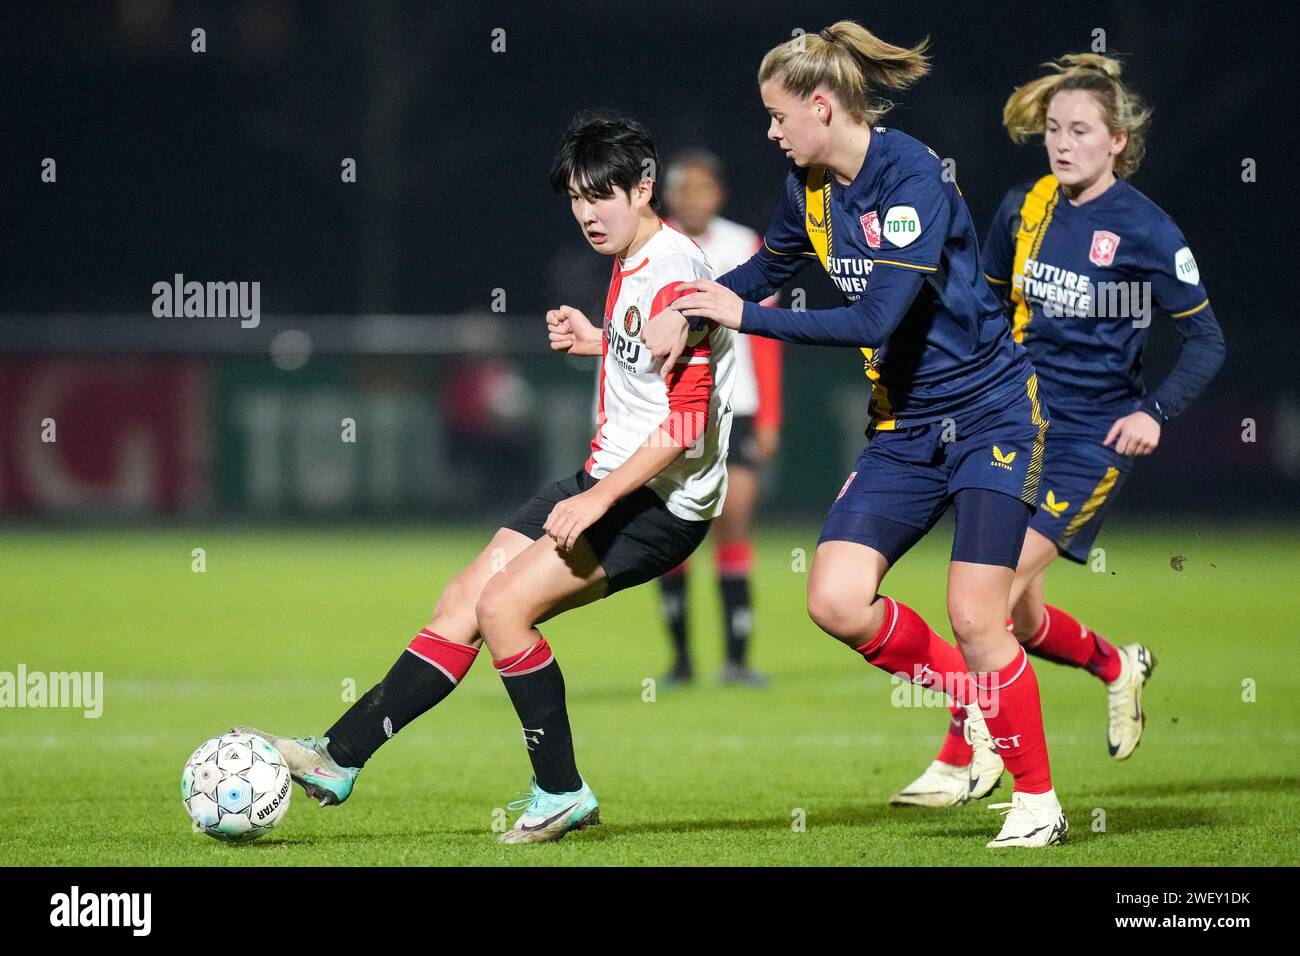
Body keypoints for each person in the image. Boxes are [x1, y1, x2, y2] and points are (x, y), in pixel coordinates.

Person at [237, 110, 735, 844]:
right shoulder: (638, 258)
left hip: (657, 501)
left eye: (602, 195)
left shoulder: (674, 272)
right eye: (574, 196)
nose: (587, 213)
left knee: (505, 611)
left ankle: (560, 792)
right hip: (608, 473)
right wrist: (601, 343)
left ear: (643, 188)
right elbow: (656, 364)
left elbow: (688, 423)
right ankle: (336, 758)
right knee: (463, 600)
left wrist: (599, 499)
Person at [644, 20, 1068, 847]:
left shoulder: (909, 174)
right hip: (905, 426)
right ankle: (970, 713)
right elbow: (765, 269)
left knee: (979, 619)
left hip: (989, 417)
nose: (770, 133)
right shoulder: (808, 183)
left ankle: (1040, 803)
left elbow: (876, 315)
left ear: (822, 104)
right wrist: (683, 308)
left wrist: (741, 317)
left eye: (777, 115)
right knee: (836, 599)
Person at [894, 53, 1226, 806]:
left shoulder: (1146, 229)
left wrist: (1155, 412)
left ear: (1118, 142)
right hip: (1016, 422)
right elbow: (981, 308)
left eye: (1080, 130)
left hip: (1090, 441)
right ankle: (1116, 665)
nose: (1062, 143)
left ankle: (964, 756)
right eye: (1053, 129)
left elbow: (1208, 341)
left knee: (988, 596)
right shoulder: (1026, 206)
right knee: (1018, 611)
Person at [657, 148, 783, 687]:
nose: (694, 198)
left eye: (703, 188)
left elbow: (765, 332)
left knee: (734, 522)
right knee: (673, 529)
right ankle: (682, 662)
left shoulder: (743, 245)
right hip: (672, 408)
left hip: (740, 407)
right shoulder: (650, 246)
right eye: (684, 189)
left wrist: (772, 413)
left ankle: (736, 660)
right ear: (668, 195)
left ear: (719, 193)